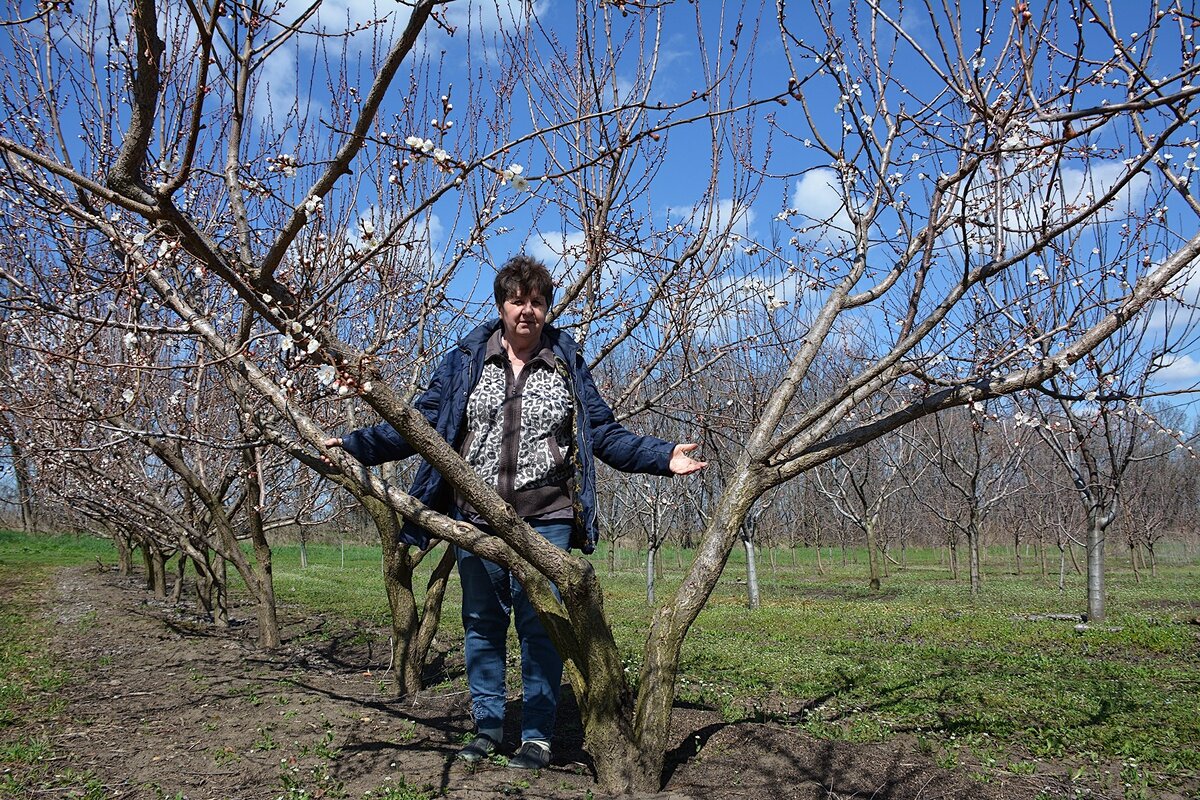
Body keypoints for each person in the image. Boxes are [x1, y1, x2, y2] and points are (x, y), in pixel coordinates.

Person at [325, 255, 706, 770]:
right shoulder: (465, 361)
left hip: (546, 516)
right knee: (482, 622)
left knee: (541, 623)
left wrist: (662, 456)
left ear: (547, 308)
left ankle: (537, 735)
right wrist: (352, 447)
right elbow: (415, 426)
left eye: (537, 302)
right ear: (502, 305)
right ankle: (486, 728)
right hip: (475, 517)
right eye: (517, 300)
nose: (527, 311)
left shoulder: (566, 362)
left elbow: (606, 435)